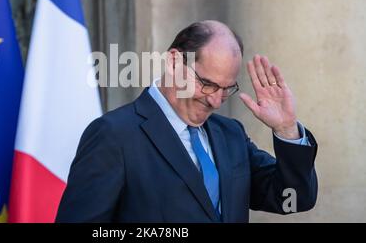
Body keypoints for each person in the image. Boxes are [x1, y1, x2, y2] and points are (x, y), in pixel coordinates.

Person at [55, 20, 318, 223]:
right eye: (206, 84)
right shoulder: (114, 135)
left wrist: (286, 129)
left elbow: (293, 200)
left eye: (226, 89)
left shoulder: (231, 134)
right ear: (172, 62)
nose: (215, 101)